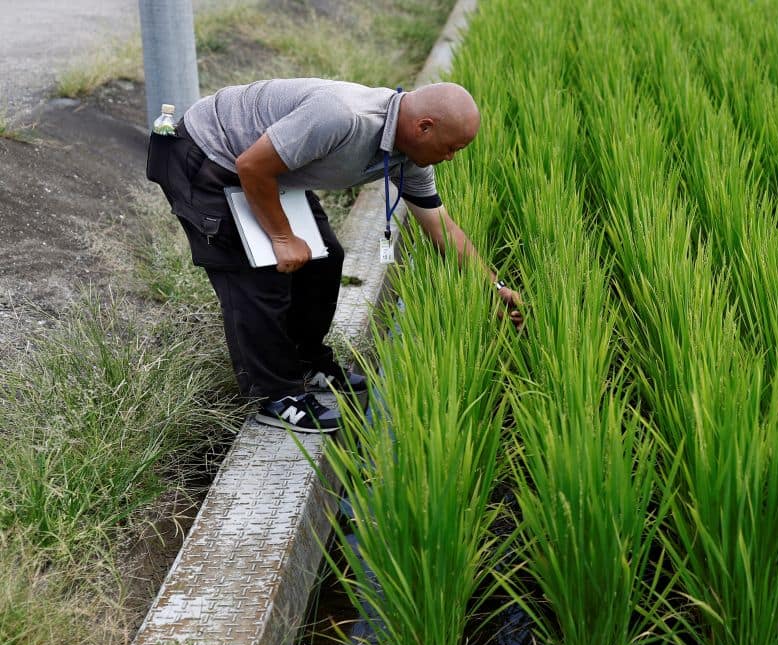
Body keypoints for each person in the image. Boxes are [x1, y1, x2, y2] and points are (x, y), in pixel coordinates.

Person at [145, 78, 523, 433]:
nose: (452, 158)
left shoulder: (411, 157)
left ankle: (307, 361)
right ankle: (275, 395)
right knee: (260, 275)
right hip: (210, 155)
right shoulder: (343, 117)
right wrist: (281, 236)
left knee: (324, 259)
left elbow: (439, 225)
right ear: (423, 127)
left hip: (270, 170)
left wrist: (493, 286)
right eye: (452, 147)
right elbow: (251, 165)